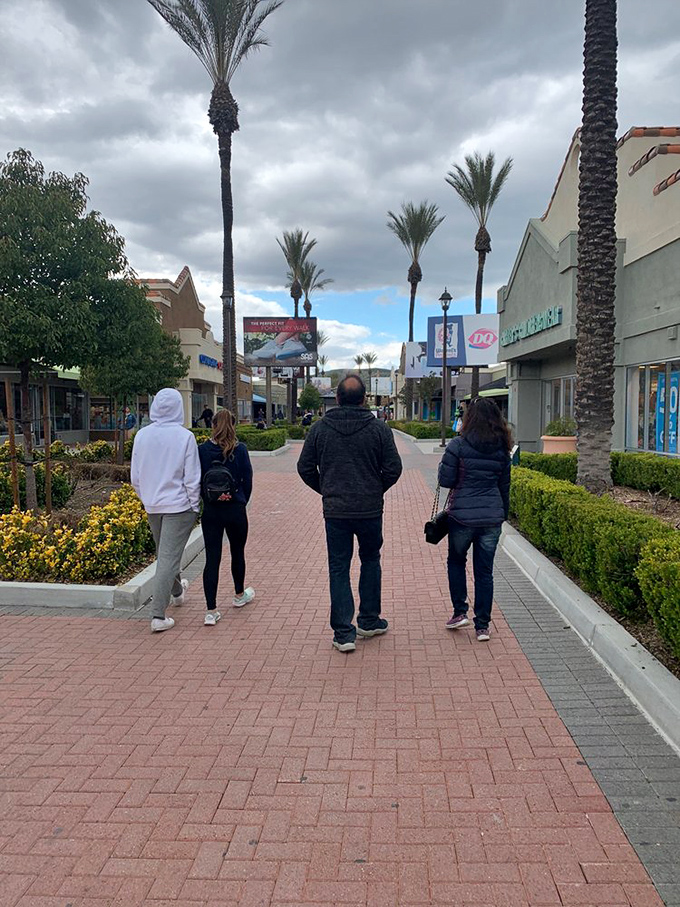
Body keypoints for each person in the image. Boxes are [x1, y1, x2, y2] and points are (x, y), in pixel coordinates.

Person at [297, 374, 403, 652]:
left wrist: (326, 489)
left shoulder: (320, 429)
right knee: (370, 560)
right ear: (365, 399)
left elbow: (304, 468)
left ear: (338, 398)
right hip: (369, 510)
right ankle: (368, 620)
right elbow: (394, 468)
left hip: (336, 512)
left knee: (338, 567)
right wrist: (375, 489)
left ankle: (344, 633)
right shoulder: (379, 429)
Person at [438, 397, 511, 642]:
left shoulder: (457, 446)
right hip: (491, 517)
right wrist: (503, 515)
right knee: (484, 571)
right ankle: (483, 626)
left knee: (456, 562)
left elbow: (445, 481)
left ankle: (460, 612)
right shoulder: (503, 449)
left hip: (461, 516)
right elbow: (505, 487)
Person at [131, 388, 201, 633]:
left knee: (165, 554)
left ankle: (178, 592)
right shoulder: (185, 437)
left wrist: (146, 498)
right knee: (168, 557)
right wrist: (194, 505)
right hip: (179, 506)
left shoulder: (141, 435)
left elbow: (135, 476)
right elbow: (192, 477)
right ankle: (158, 615)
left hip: (153, 505)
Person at [198, 408, 254, 626]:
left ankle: (211, 611)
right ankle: (239, 595)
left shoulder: (202, 450)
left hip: (212, 511)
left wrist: (207, 499)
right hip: (235, 510)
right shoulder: (240, 450)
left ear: (212, 425)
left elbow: (197, 479)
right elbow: (247, 481)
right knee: (237, 553)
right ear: (234, 425)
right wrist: (240, 500)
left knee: (212, 559)